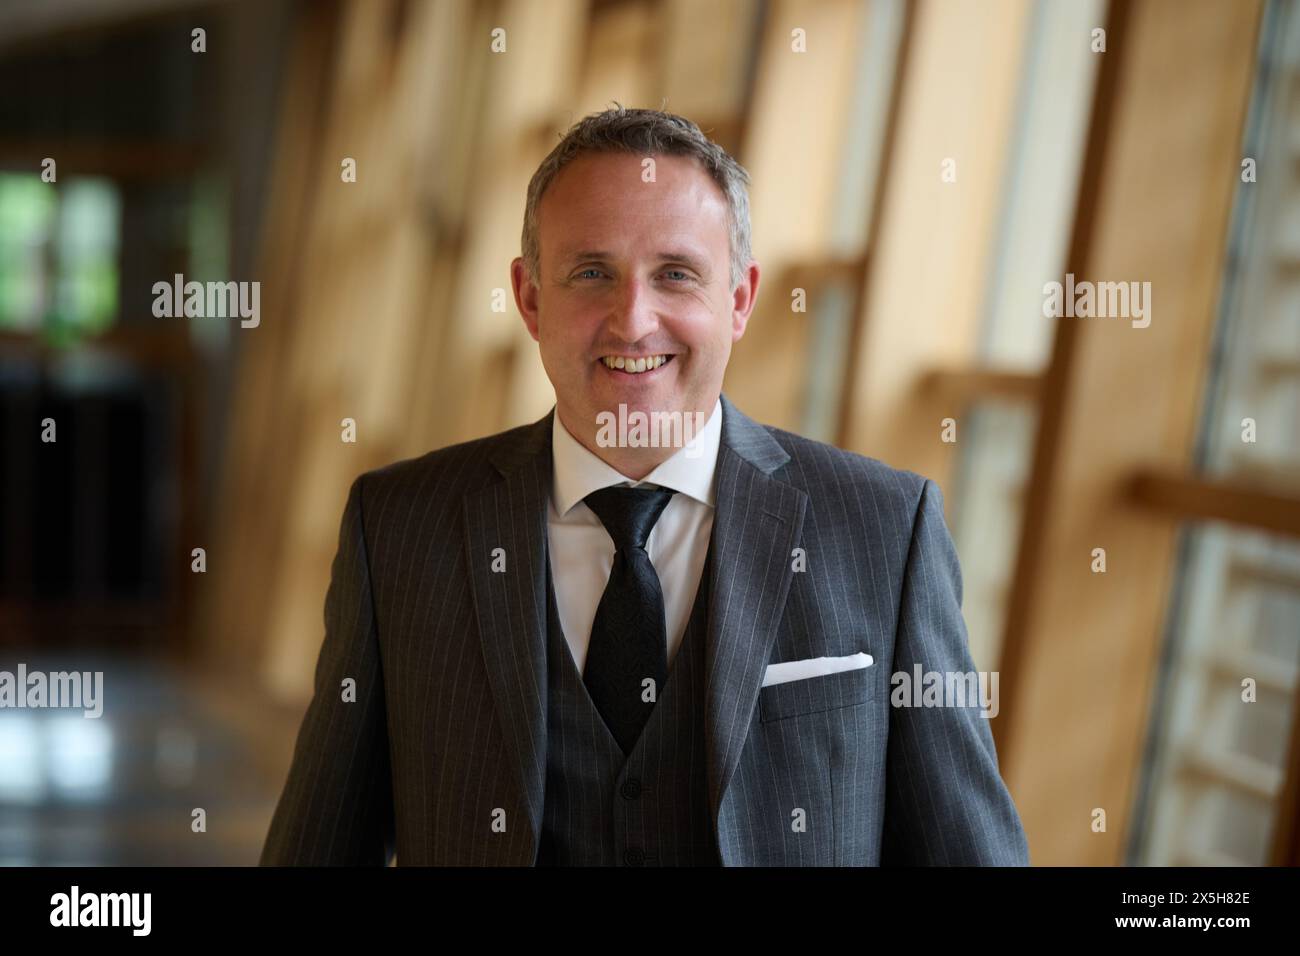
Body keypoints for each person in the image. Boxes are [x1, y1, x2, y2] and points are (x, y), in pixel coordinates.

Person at [260, 106, 1030, 866]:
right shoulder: (397, 529)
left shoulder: (886, 530)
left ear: (739, 299)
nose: (633, 321)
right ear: (530, 298)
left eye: (676, 275)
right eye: (592, 273)